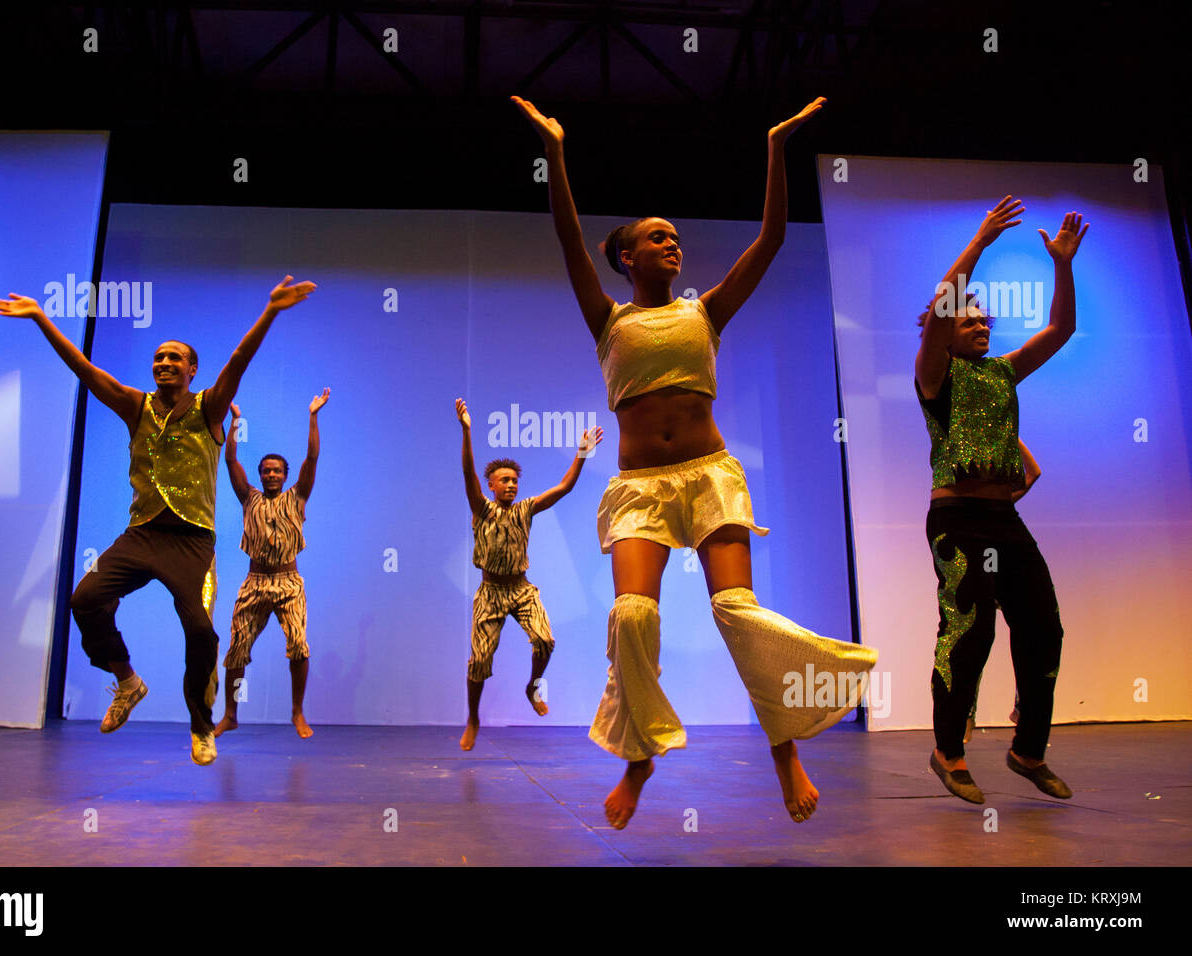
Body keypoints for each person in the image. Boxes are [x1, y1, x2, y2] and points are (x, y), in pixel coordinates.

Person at [514, 93, 877, 829]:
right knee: (631, 614)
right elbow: (565, 236)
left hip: (710, 476)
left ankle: (785, 751)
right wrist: (554, 150)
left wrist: (776, 144)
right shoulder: (608, 317)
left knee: (734, 612)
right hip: (641, 489)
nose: (673, 245)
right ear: (626, 257)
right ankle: (639, 755)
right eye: (656, 238)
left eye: (676, 237)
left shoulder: (703, 311)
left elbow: (773, 238)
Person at [0, 276, 316, 764]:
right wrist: (41, 318)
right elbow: (83, 368)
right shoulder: (134, 406)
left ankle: (201, 726)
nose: (163, 363)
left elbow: (238, 363)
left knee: (202, 634)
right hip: (141, 536)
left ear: (191, 370)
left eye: (173, 358)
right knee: (85, 599)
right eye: (158, 357)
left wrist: (269, 311)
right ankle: (126, 681)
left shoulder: (209, 408)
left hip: (191, 543)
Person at [915, 197, 1087, 802]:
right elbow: (943, 304)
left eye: (986, 320)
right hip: (956, 521)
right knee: (972, 627)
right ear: (946, 332)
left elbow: (1061, 330)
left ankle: (1027, 750)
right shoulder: (936, 377)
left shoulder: (1004, 373)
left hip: (1002, 520)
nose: (983, 326)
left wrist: (1062, 265)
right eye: (970, 321)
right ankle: (948, 750)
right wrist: (981, 241)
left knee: (1044, 626)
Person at [455, 397, 603, 751]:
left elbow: (563, 489)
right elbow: (467, 473)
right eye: (503, 480)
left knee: (545, 640)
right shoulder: (482, 509)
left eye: (514, 481)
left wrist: (581, 455)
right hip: (490, 592)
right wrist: (466, 430)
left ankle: (532, 685)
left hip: (521, 589)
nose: (511, 485)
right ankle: (473, 718)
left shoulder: (526, 510)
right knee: (479, 662)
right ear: (491, 485)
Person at [214, 388, 329, 741]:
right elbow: (231, 462)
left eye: (277, 471)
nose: (271, 475)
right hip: (255, 582)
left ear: (285, 474)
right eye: (265, 471)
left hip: (288, 583)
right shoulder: (249, 498)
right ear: (260, 475)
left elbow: (311, 458)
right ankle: (231, 714)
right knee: (236, 650)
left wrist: (313, 415)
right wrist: (234, 422)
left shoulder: (298, 497)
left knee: (298, 644)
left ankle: (297, 711)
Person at [963, 437, 1040, 743]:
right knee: (977, 640)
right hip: (981, 569)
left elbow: (1034, 473)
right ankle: (966, 717)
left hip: (1002, 568)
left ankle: (1020, 708)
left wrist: (1012, 434)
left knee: (1029, 634)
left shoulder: (1003, 501)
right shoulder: (966, 504)